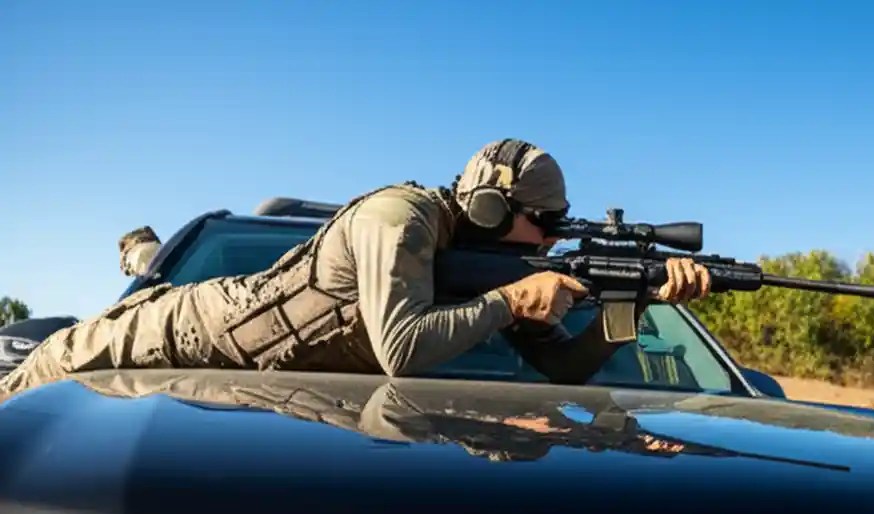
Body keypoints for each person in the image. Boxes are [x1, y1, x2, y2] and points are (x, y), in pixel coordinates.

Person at [0, 139, 711, 399]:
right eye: (544, 227)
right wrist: (512, 303)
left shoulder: (492, 265)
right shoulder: (397, 219)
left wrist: (636, 309)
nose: (549, 247)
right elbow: (403, 354)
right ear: (493, 209)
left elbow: (561, 375)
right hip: (170, 338)